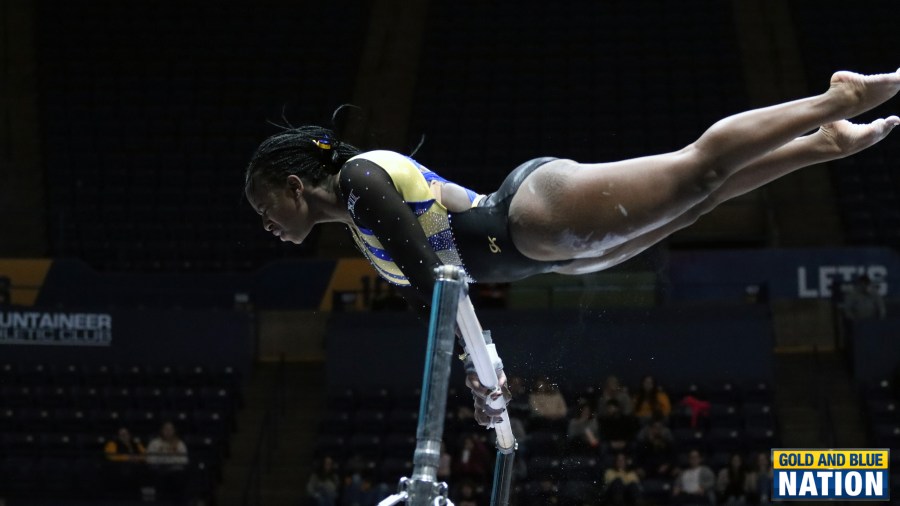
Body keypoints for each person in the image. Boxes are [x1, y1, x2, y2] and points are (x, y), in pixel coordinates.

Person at [245, 69, 900, 425]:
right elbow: (441, 287)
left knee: (694, 169)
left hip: (532, 217)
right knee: (699, 200)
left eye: (264, 209)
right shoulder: (360, 228)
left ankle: (831, 99)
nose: (266, 225)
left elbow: (438, 279)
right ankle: (823, 144)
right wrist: (480, 362)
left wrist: (478, 362)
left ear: (295, 186)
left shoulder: (363, 180)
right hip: (547, 251)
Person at [145, 421, 189, 504]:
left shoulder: (179, 443)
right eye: (166, 429)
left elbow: (184, 460)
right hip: (158, 469)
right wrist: (163, 462)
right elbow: (149, 459)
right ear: (162, 430)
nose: (168, 431)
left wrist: (170, 462)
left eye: (170, 429)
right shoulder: (154, 443)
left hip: (175, 470)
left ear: (174, 431)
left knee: (180, 476)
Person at [103, 426, 146, 500]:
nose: (124, 436)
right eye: (121, 435)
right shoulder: (112, 444)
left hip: (136, 468)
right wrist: (127, 458)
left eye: (126, 434)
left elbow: (146, 455)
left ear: (129, 435)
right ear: (118, 436)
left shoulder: (136, 444)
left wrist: (138, 458)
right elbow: (111, 456)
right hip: (119, 469)